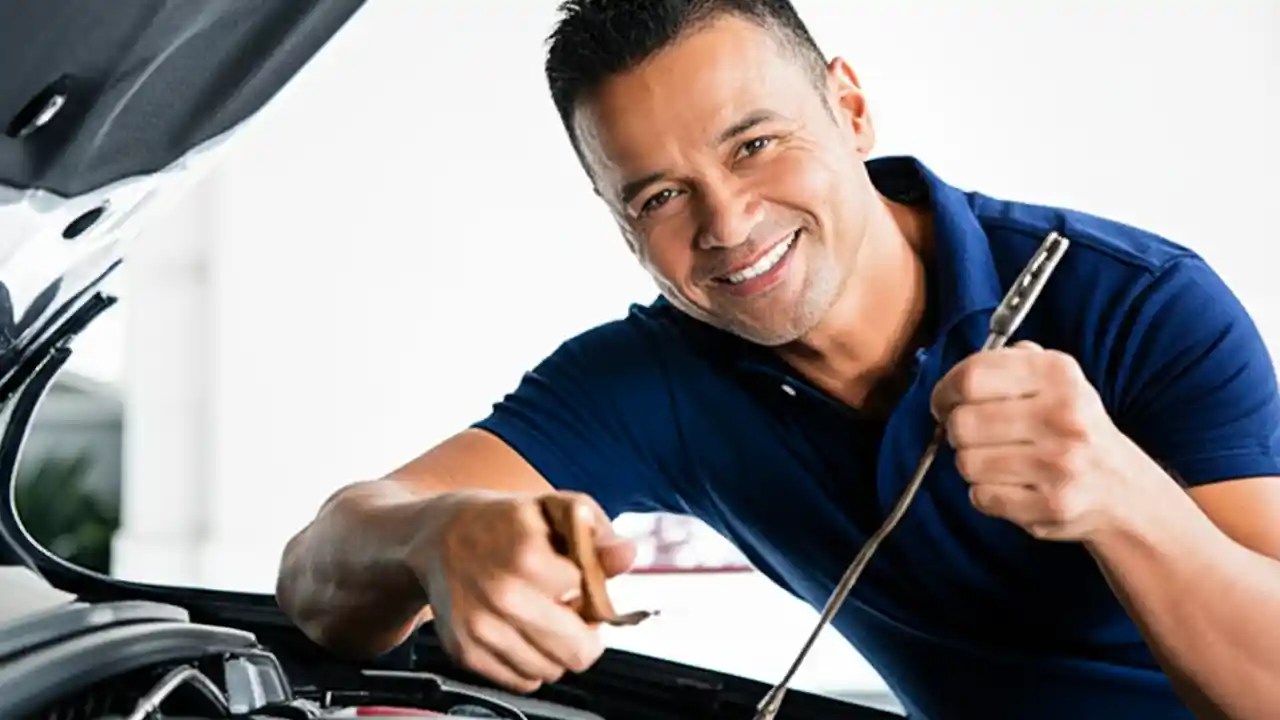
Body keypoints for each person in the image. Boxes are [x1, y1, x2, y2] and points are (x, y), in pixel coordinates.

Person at [275, 1, 1280, 718]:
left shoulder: (1132, 301)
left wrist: (1119, 497)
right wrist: (433, 536)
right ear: (617, 222)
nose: (726, 222)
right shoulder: (648, 379)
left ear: (847, 109)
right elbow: (318, 569)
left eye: (754, 143)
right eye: (658, 196)